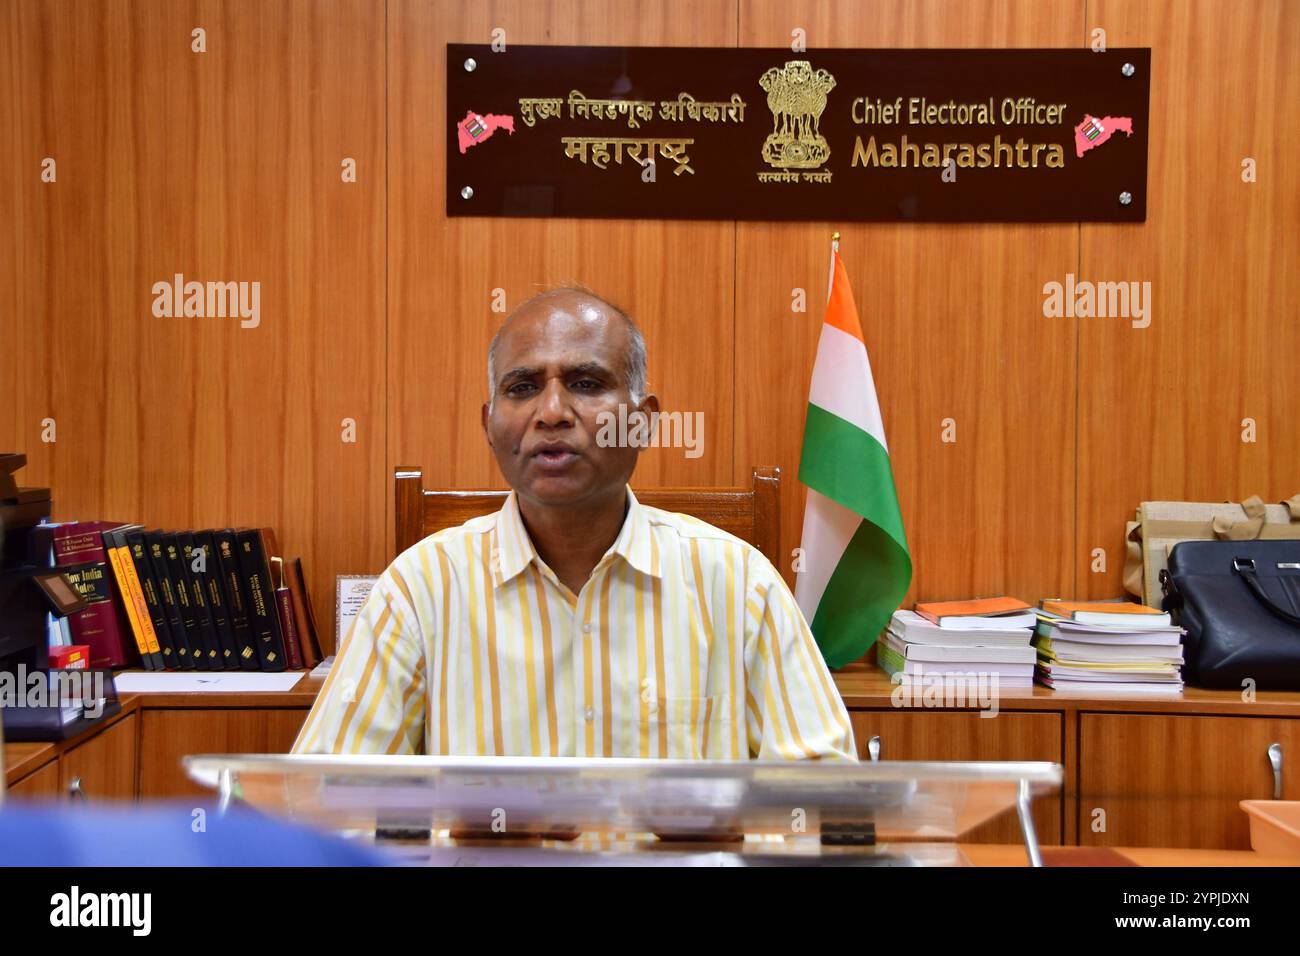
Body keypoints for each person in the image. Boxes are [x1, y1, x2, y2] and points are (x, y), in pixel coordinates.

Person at [293, 287, 855, 760]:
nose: (553, 411)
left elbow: (829, 811)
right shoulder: (421, 590)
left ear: (642, 422)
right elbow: (319, 807)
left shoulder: (738, 584)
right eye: (522, 387)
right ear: (490, 425)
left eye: (586, 384)